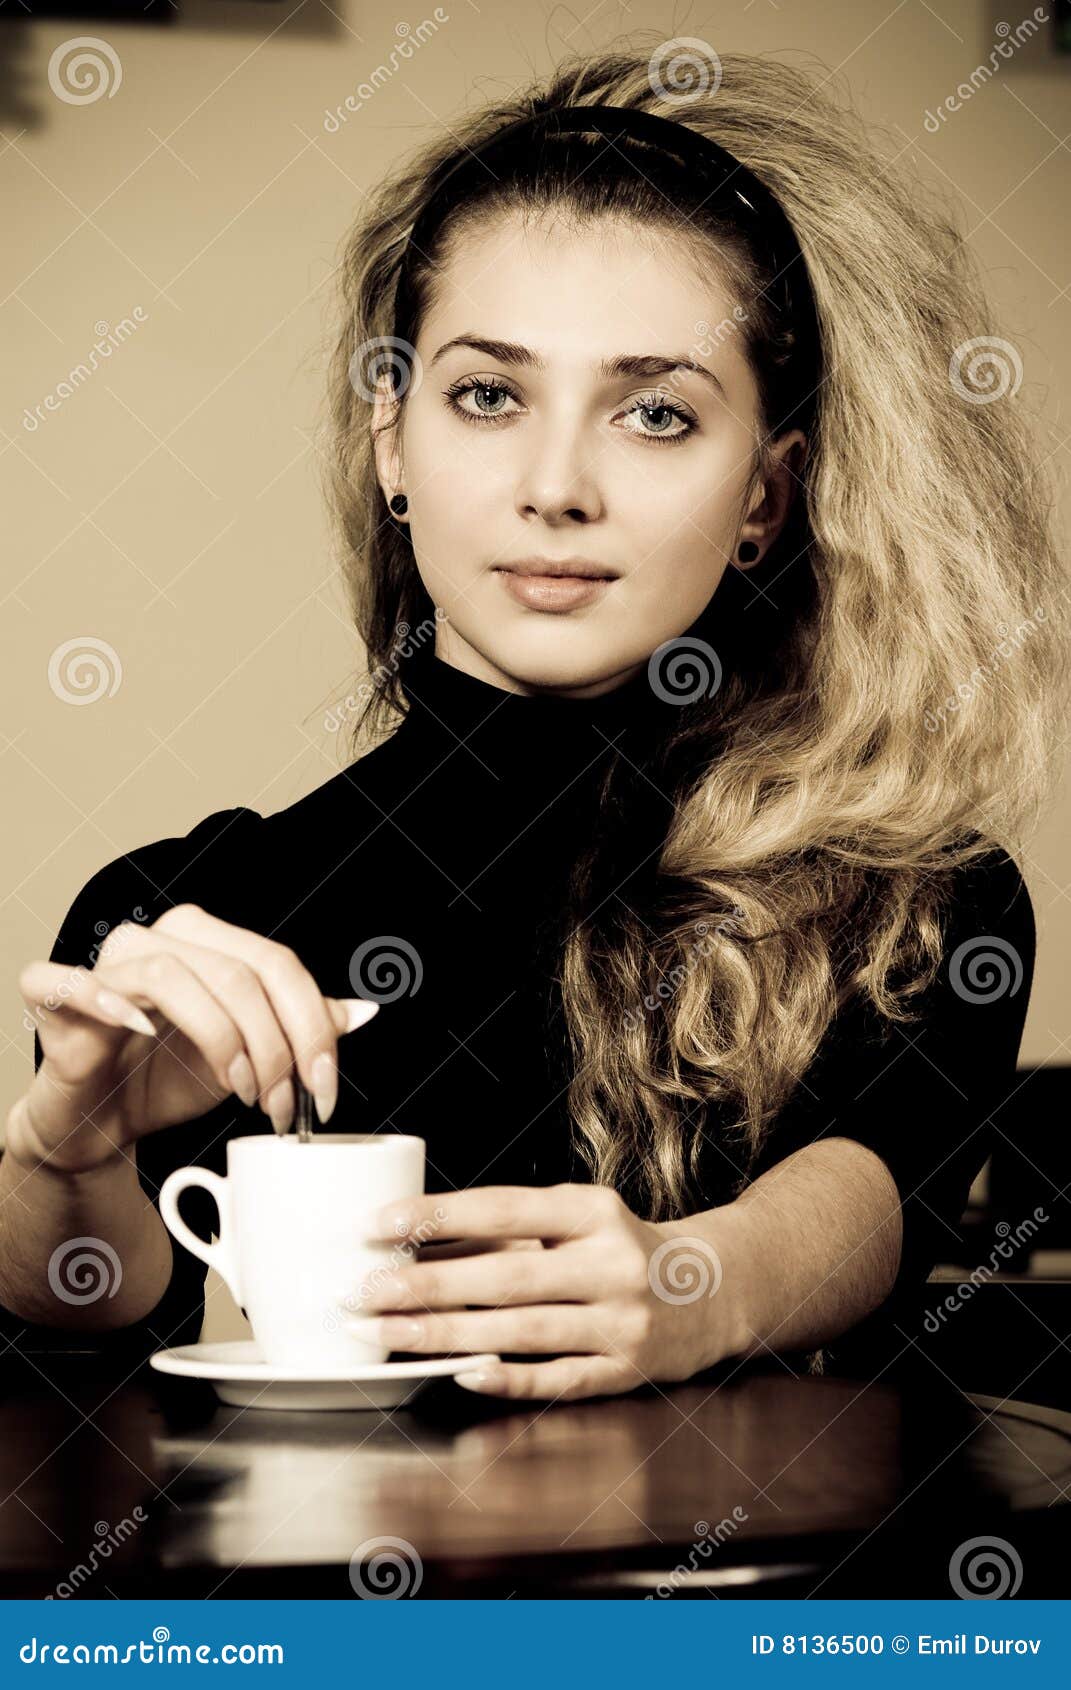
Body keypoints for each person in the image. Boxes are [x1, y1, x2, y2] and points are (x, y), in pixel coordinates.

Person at [2, 46, 1065, 1403]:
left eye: (657, 413)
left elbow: (875, 1192)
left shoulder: (923, 902)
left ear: (766, 496)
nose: (555, 485)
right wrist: (63, 1153)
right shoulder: (187, 918)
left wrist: (697, 1284)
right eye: (489, 394)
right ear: (392, 438)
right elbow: (78, 1314)